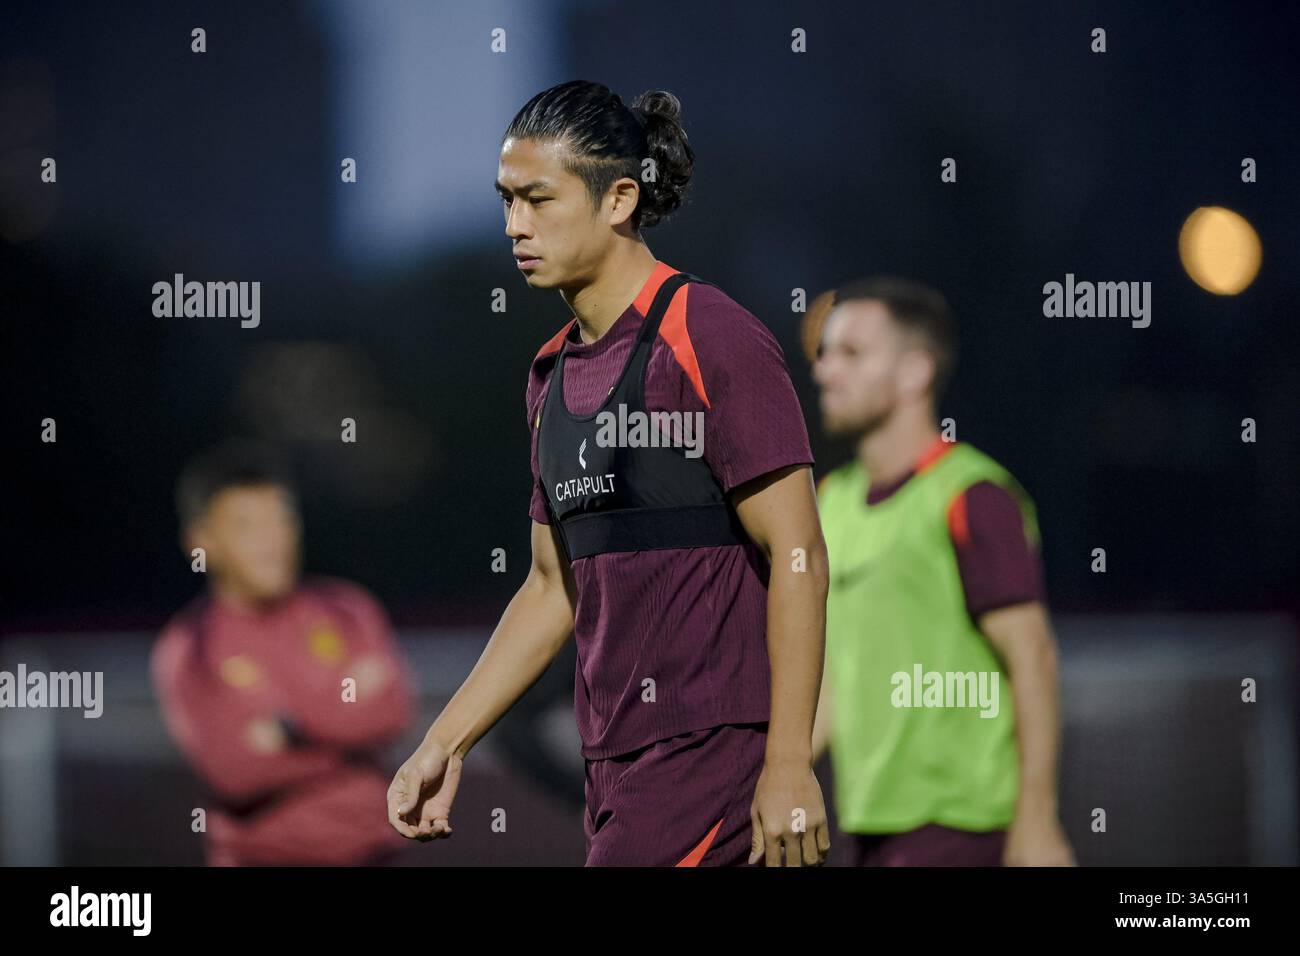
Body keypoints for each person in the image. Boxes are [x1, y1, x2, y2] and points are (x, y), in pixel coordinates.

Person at [388, 80, 830, 866]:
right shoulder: (549, 374)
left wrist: (789, 764)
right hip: (613, 772)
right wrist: (444, 744)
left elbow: (799, 556)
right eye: (505, 201)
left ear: (620, 198)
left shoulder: (711, 336)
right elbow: (550, 589)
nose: (514, 226)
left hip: (712, 763)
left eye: (538, 199)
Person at [808, 277, 1075, 866]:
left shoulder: (971, 495)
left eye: (852, 353)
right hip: (872, 826)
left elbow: (1033, 658)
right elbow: (829, 677)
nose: (825, 370)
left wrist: (1036, 823)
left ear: (914, 372)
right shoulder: (832, 501)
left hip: (966, 825)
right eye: (826, 353)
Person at [152, 442, 414, 866]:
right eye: (246, 526)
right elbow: (235, 770)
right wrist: (349, 735)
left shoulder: (347, 607)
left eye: (282, 519)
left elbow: (392, 713)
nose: (272, 540)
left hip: (376, 854)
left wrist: (290, 729)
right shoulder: (189, 646)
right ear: (201, 541)